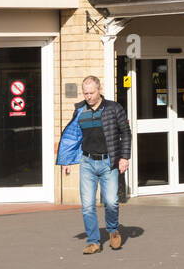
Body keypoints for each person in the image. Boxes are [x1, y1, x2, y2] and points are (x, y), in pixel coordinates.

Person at [56, 75, 131, 254]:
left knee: (111, 202)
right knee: (88, 205)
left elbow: (126, 133)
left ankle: (113, 230)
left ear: (99, 90)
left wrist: (124, 157)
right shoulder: (80, 110)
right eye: (85, 93)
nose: (88, 96)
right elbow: (73, 136)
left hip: (109, 162)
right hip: (87, 162)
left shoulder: (113, 108)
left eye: (91, 92)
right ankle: (93, 241)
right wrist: (66, 160)